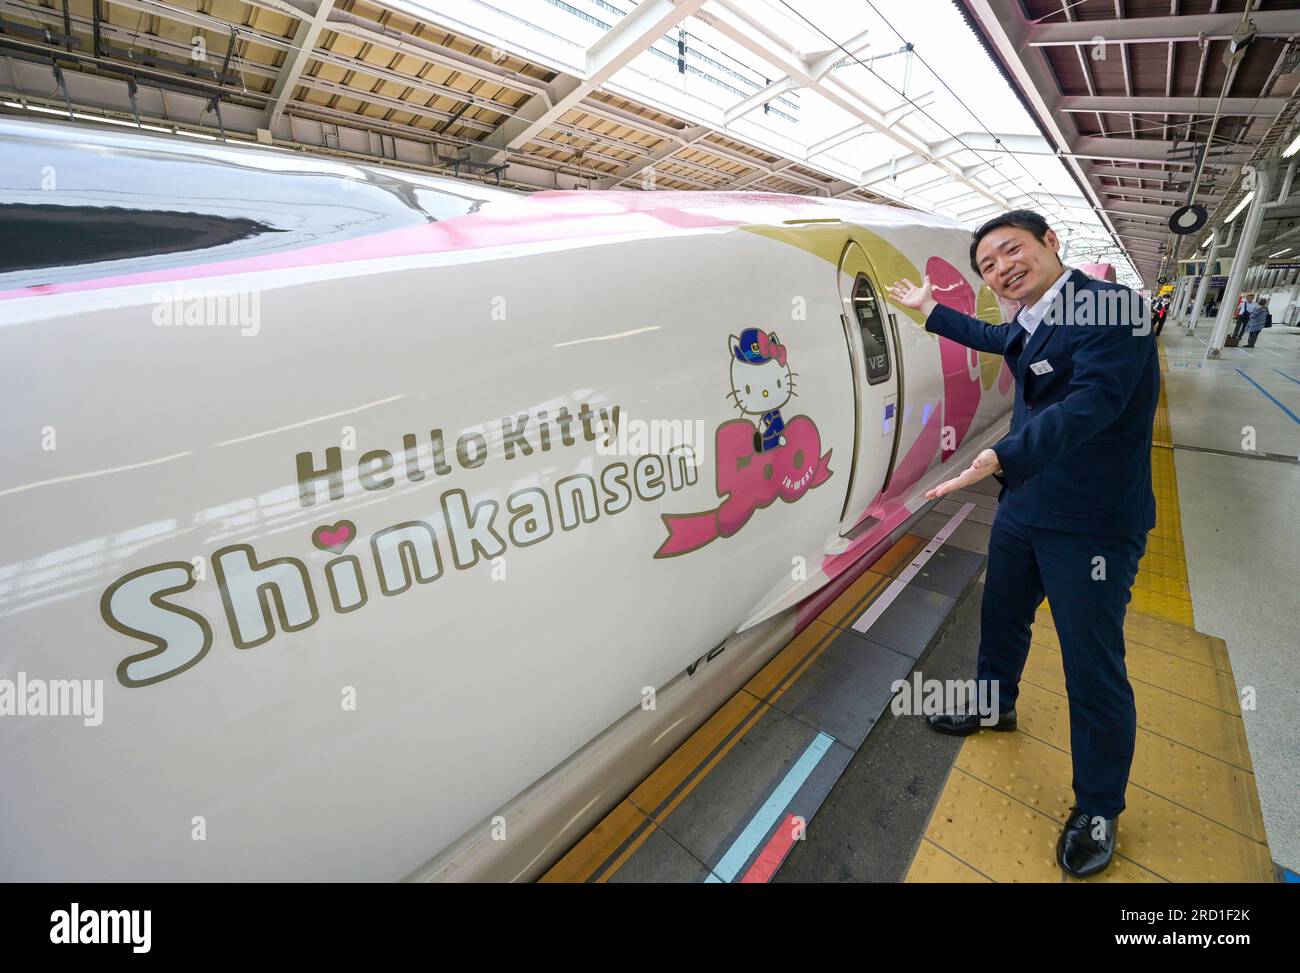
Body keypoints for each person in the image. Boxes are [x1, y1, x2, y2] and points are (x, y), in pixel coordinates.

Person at [888, 210, 1159, 879]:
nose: (1003, 268)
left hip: (1092, 523)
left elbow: (1091, 404)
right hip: (1024, 506)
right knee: (1001, 618)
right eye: (989, 264)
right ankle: (994, 702)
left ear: (1050, 243)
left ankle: (1098, 805)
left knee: (1092, 670)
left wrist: (999, 455)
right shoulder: (1034, 316)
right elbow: (996, 336)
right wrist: (931, 311)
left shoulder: (1114, 309)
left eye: (1012, 250)